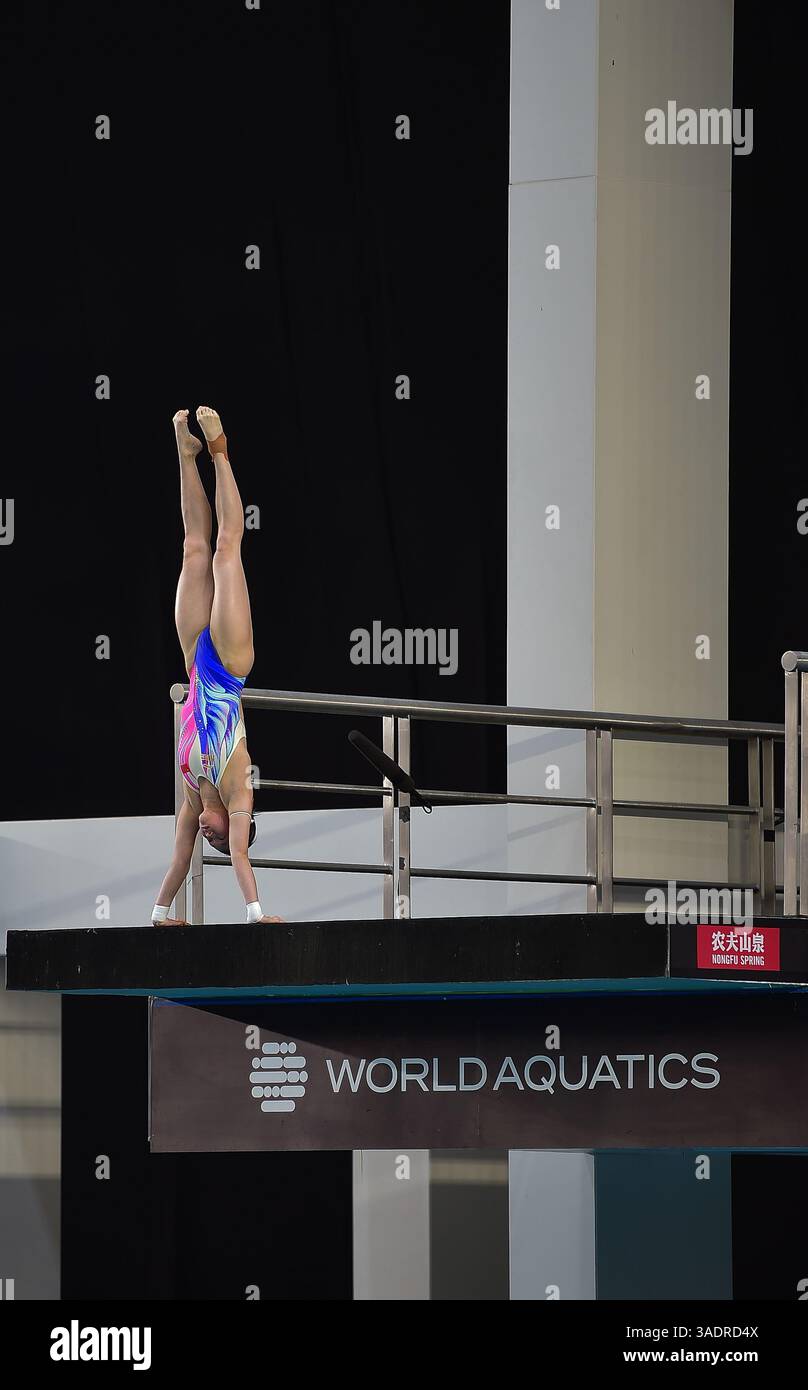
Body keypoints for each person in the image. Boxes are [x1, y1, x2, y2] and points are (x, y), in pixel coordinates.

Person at [151, 407, 282, 926]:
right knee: (227, 551)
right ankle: (221, 452)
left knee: (192, 551)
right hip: (228, 665)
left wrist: (160, 915)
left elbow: (179, 860)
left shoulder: (189, 790)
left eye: (216, 843)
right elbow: (244, 856)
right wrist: (256, 913)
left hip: (191, 659)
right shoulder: (238, 792)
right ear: (237, 822)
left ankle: (186, 454)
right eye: (224, 838)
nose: (214, 838)